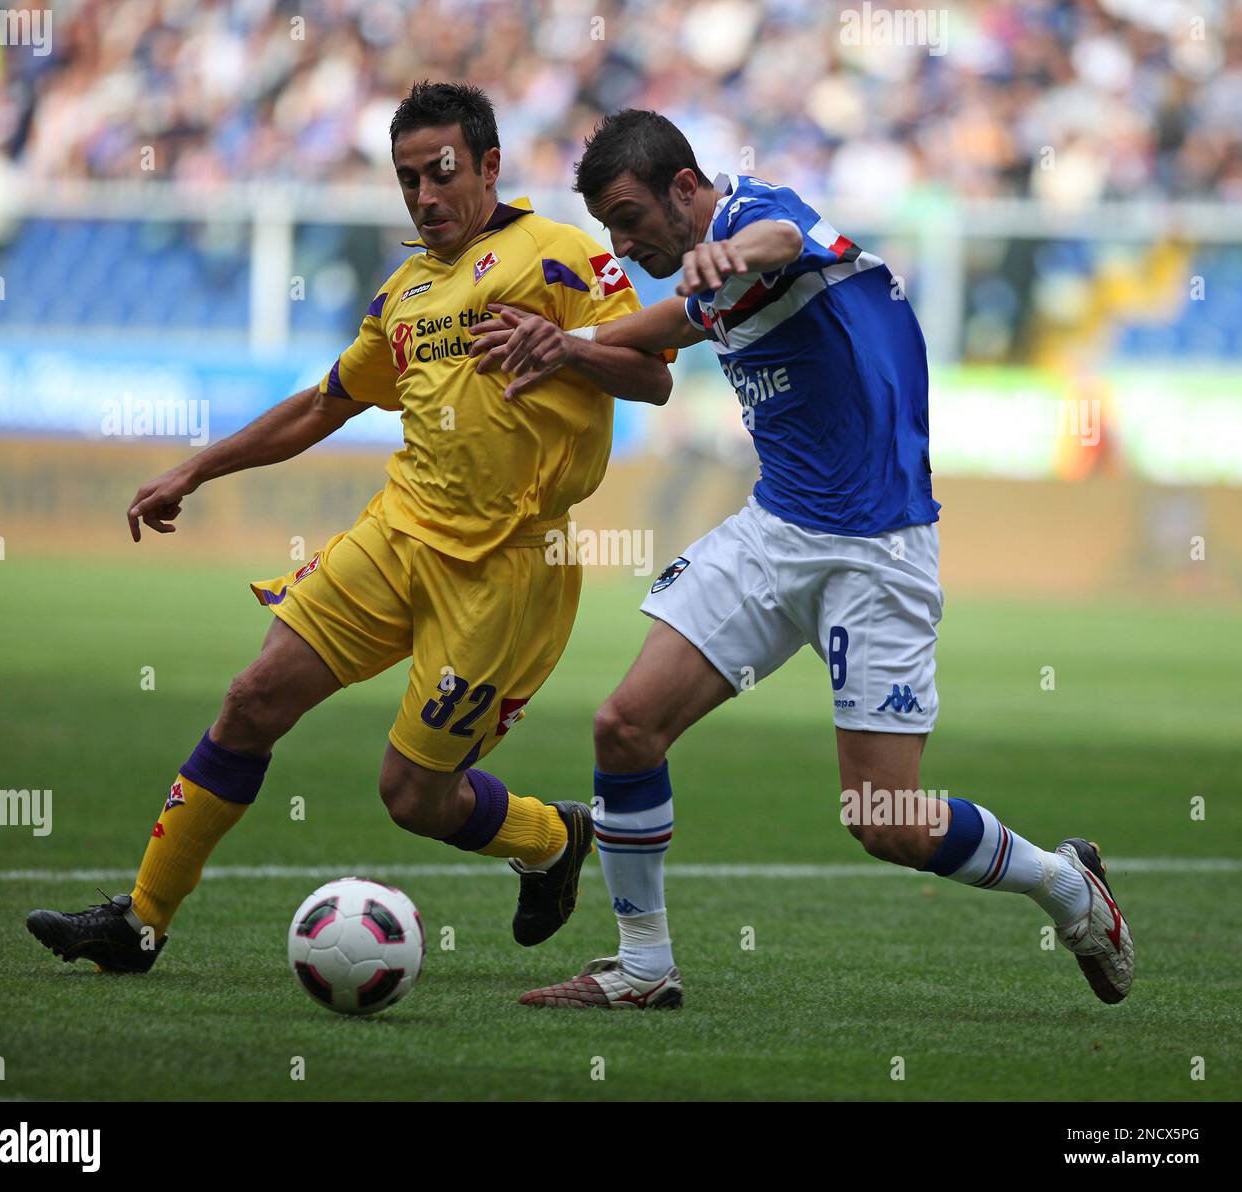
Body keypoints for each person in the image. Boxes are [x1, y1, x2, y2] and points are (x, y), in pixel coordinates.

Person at [471, 109, 1133, 1010]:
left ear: (685, 187)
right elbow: (681, 320)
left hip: (878, 550)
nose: (622, 245)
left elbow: (782, 239)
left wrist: (731, 252)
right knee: (624, 727)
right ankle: (643, 968)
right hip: (776, 532)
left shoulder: (757, 214)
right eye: (609, 231)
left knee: (885, 821)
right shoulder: (701, 275)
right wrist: (573, 344)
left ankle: (1064, 885)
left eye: (631, 218)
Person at [25, 83, 672, 975]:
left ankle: (553, 838)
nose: (424, 196)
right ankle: (140, 921)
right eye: (408, 179)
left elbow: (654, 376)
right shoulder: (403, 292)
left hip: (504, 572)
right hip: (397, 532)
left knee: (411, 797)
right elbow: (325, 405)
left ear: (488, 165)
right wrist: (194, 468)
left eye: (441, 172)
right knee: (251, 700)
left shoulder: (559, 255)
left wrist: (568, 347)